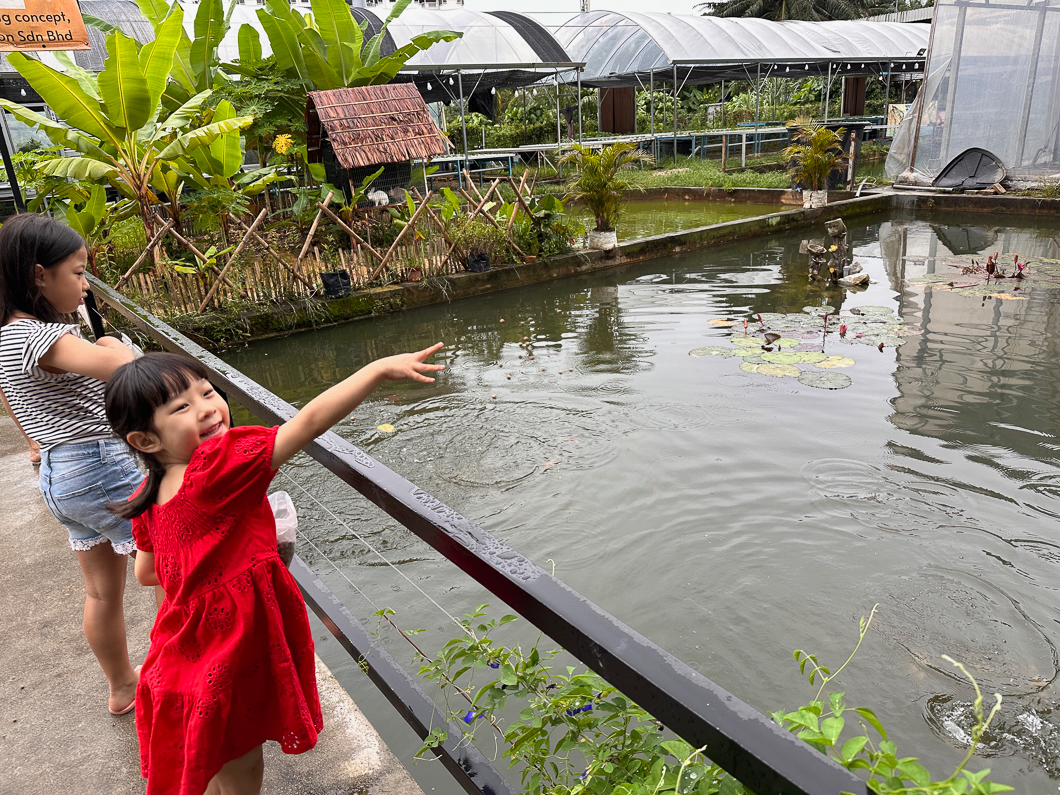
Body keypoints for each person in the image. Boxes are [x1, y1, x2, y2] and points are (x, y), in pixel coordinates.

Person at [104, 344, 444, 795]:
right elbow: (308, 424)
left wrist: (221, 551)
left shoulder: (151, 490)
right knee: (243, 766)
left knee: (221, 754)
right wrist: (377, 369)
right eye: (182, 407)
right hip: (233, 646)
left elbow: (149, 572)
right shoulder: (214, 470)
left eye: (208, 392)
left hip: (186, 643)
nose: (208, 409)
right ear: (146, 440)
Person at [0, 213, 141, 716]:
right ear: (40, 275)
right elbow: (125, 369)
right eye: (78, 274)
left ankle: (123, 686)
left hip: (62, 476)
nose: (85, 286)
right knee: (173, 569)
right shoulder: (38, 336)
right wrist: (110, 343)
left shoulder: (4, 337)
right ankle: (183, 678)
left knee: (102, 592)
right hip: (102, 465)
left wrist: (35, 445)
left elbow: (16, 401)